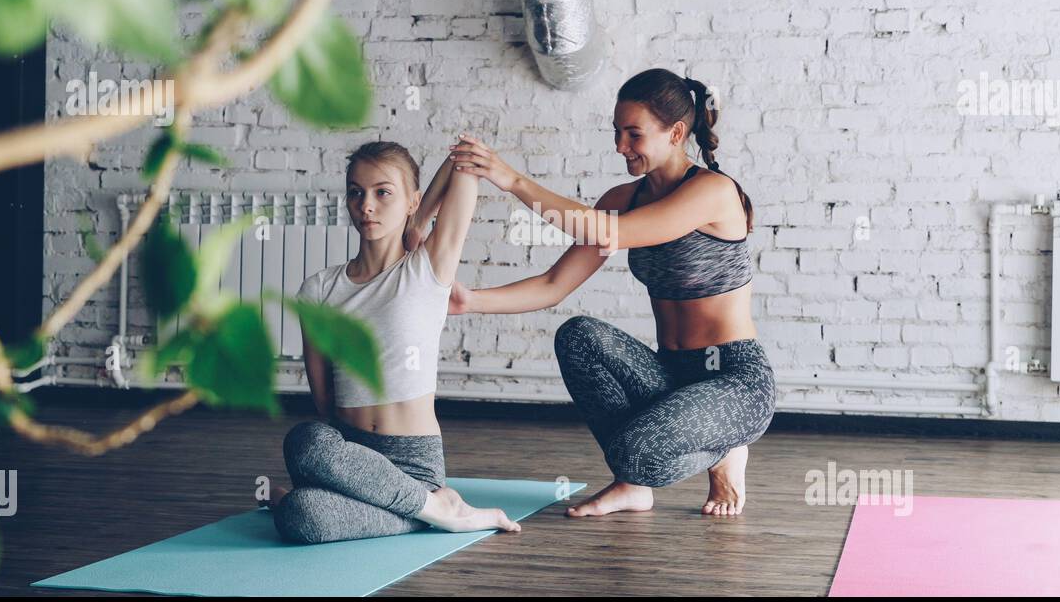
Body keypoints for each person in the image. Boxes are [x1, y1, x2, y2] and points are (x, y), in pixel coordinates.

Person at [447, 68, 775, 517]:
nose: (620, 146)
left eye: (633, 134)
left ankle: (723, 451)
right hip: (671, 373)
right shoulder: (622, 198)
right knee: (578, 335)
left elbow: (606, 232)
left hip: (733, 379)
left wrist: (513, 180)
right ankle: (633, 487)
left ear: (675, 133)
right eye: (617, 132)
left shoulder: (713, 192)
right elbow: (552, 285)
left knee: (637, 453)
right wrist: (471, 301)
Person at [266, 138, 521, 543]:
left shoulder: (428, 267)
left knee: (302, 513)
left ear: (411, 200)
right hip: (346, 455)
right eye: (356, 192)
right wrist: (344, 465)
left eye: (383, 192)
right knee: (306, 440)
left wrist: (418, 222)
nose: (366, 205)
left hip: (412, 462)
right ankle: (433, 509)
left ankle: (423, 503)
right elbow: (325, 402)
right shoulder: (318, 290)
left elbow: (466, 164)